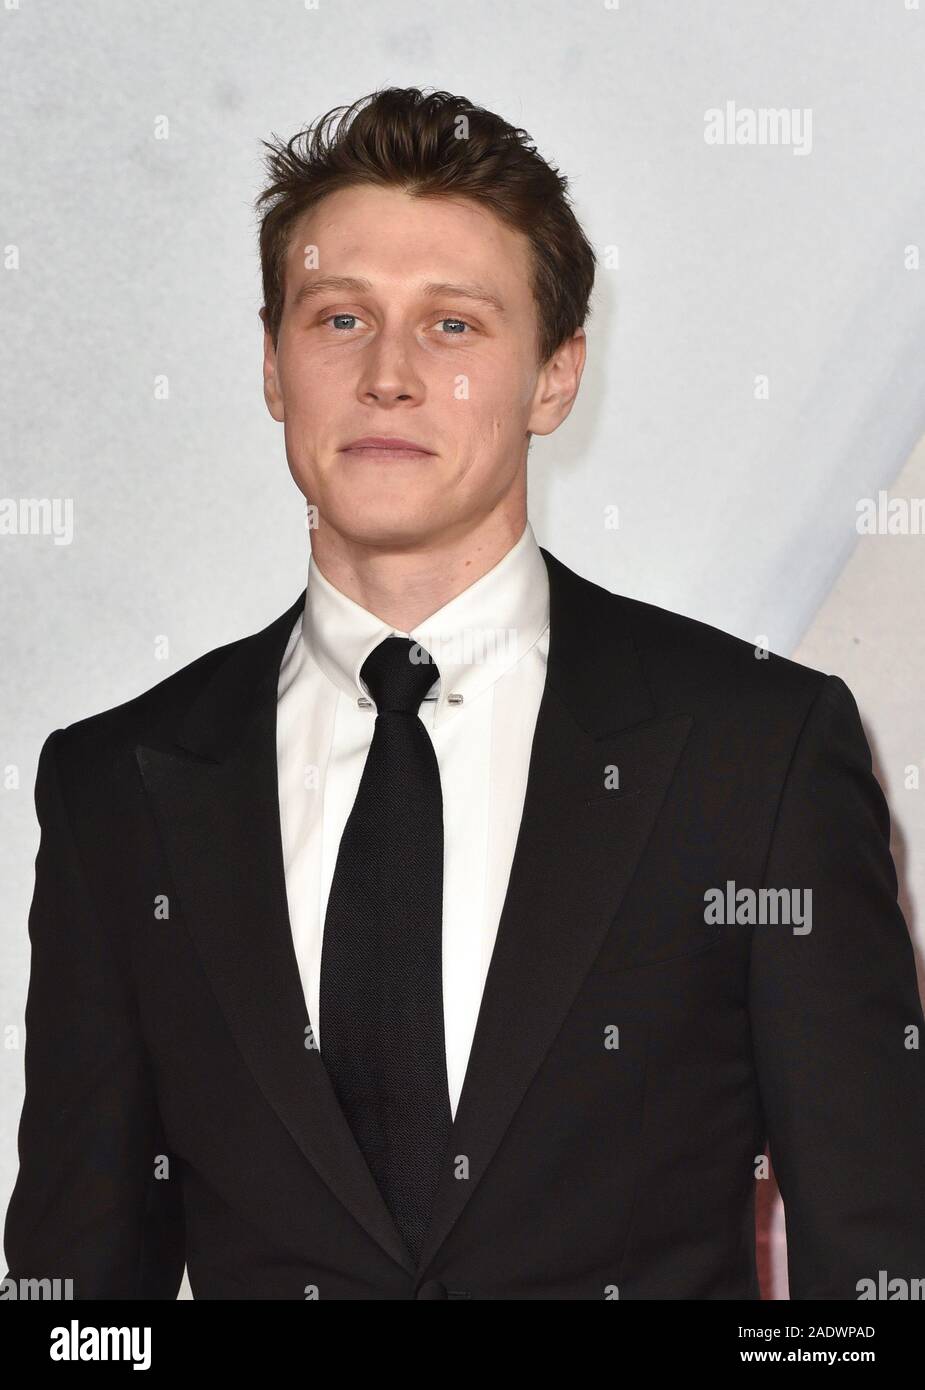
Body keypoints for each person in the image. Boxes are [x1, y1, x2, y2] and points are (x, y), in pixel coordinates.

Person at [4, 86, 925, 1301]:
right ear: (274, 365)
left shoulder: (753, 750)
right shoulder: (115, 787)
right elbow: (77, 1300)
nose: (387, 375)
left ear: (553, 378)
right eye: (339, 317)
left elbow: (878, 1272)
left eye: (452, 326)